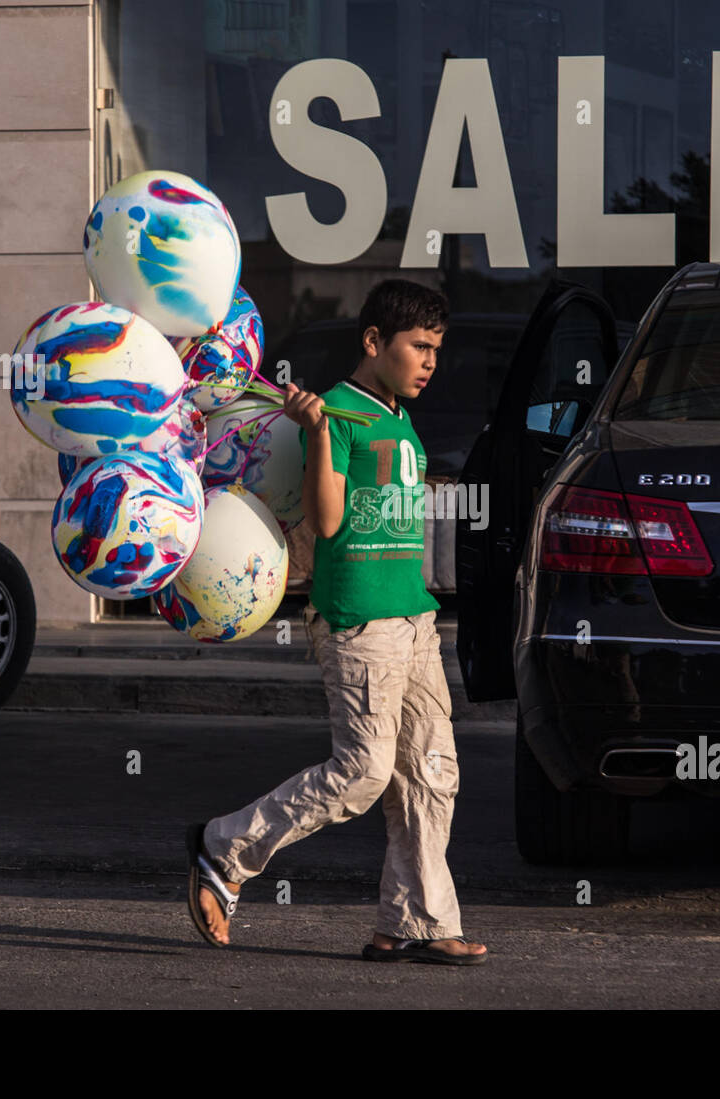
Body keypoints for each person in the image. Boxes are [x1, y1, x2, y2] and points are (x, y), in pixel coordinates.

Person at [186, 279, 488, 965]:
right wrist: (318, 432)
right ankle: (222, 847)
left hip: (413, 620)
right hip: (358, 623)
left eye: (437, 349)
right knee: (362, 772)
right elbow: (326, 522)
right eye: (418, 346)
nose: (430, 361)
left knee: (431, 773)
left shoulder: (396, 414)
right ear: (374, 342)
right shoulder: (339, 413)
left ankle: (413, 923)